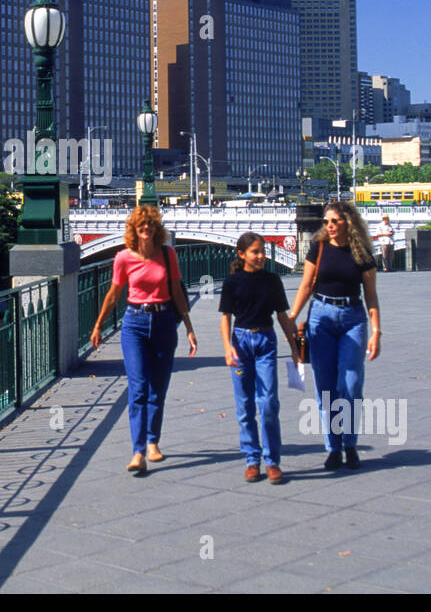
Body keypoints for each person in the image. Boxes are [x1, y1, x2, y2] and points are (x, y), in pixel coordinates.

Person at [90, 205, 198, 473]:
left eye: (150, 224)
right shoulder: (123, 258)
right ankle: (137, 452)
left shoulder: (167, 254)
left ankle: (153, 442)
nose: (146, 228)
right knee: (138, 388)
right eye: (141, 224)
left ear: (156, 228)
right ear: (134, 229)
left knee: (157, 389)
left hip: (163, 322)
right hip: (134, 324)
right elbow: (114, 294)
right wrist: (98, 326)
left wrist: (188, 326)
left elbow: (176, 291)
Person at [288, 200, 381, 471]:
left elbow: (371, 297)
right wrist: (292, 318)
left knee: (350, 385)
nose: (329, 226)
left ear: (347, 223)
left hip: (353, 317)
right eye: (326, 221)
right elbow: (306, 285)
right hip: (321, 317)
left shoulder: (361, 252)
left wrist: (377, 331)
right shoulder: (318, 247)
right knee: (326, 388)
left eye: (335, 221)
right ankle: (333, 447)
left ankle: (350, 442)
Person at [219, 232, 302, 483]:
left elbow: (282, 316)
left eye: (263, 251)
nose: (261, 256)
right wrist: (227, 347)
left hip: (266, 340)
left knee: (268, 403)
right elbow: (225, 317)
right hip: (241, 342)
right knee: (244, 405)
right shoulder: (232, 283)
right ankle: (251, 459)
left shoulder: (272, 280)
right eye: (255, 252)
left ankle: (272, 460)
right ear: (242, 255)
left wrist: (295, 347)